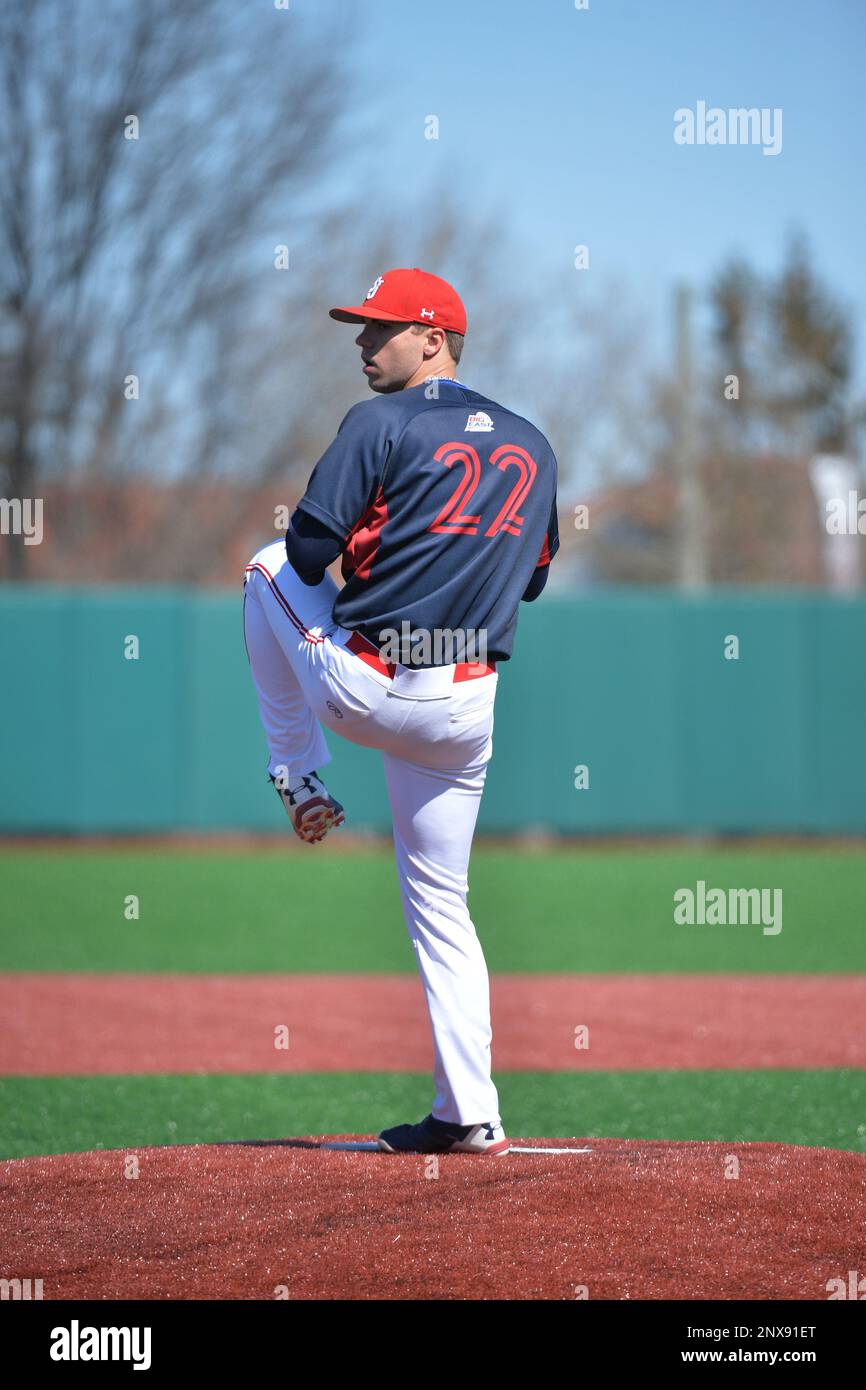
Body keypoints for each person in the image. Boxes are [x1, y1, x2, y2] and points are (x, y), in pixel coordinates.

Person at [242, 267, 559, 1155]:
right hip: (467, 708)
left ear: (434, 339)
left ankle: (297, 775)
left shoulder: (380, 422)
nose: (360, 341)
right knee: (443, 905)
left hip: (371, 685)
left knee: (263, 564)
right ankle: (471, 1112)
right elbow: (531, 581)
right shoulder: (534, 441)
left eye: (379, 327)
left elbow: (308, 554)